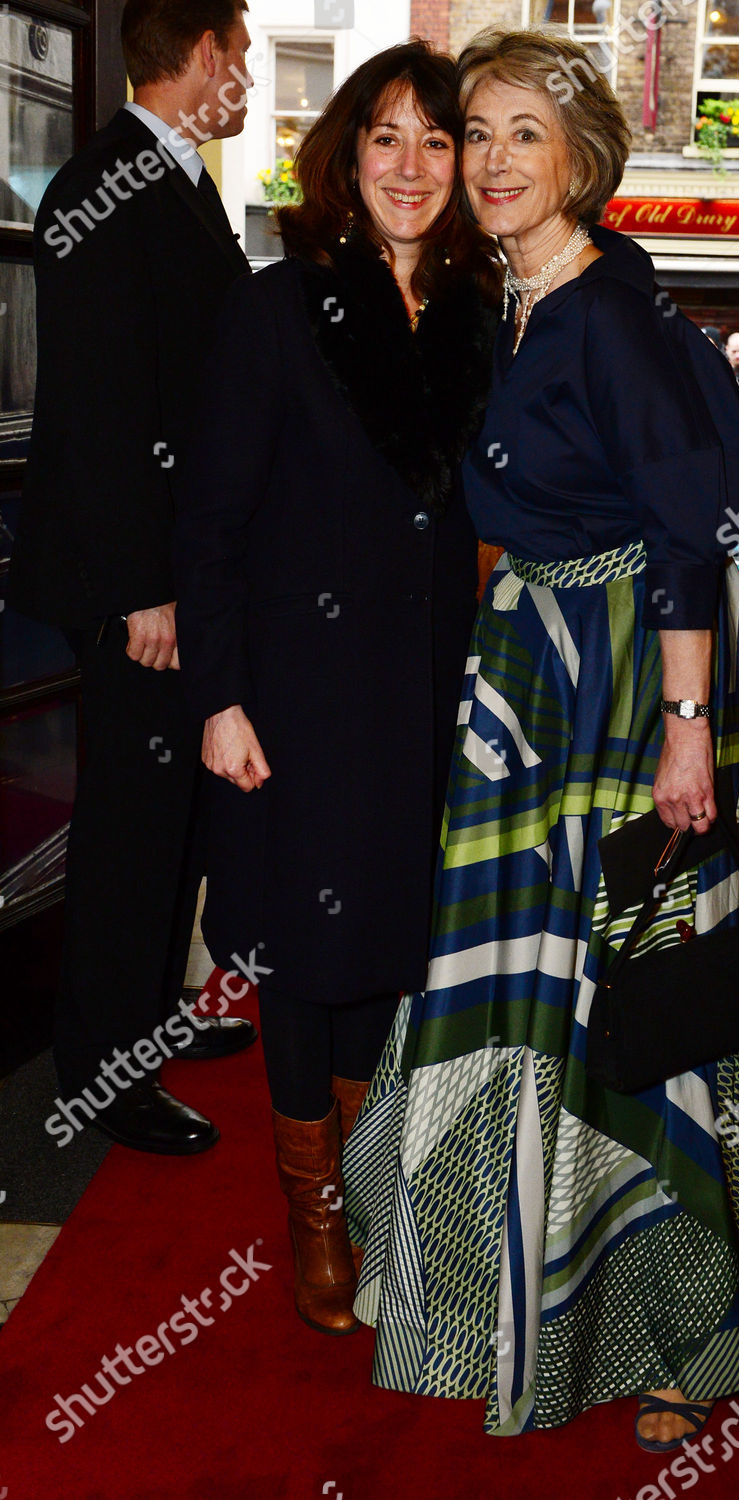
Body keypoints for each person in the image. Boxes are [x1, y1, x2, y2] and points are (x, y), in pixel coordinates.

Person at [345, 27, 739, 1453]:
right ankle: (506, 1295)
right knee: (509, 997)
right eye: (478, 132)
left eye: (527, 133)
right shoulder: (506, 307)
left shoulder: (610, 320)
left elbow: (687, 542)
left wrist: (688, 735)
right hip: (520, 675)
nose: (493, 161)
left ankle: (672, 1335)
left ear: (581, 158)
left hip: (621, 689)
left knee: (627, 1009)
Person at [173, 41, 501, 1335]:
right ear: (343, 157)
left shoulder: (484, 317)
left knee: (387, 944)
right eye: (387, 138)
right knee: (306, 956)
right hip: (300, 695)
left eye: (437, 142)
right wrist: (220, 696)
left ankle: (361, 1185)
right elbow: (206, 518)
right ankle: (310, 1211)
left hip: (427, 693)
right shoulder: (277, 306)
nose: (412, 167)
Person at [8, 0, 257, 1156]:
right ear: (203, 54)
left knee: (178, 822)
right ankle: (102, 1069)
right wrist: (143, 590)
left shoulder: (179, 177)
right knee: (134, 832)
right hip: (136, 588)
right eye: (243, 51)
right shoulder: (103, 189)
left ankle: (148, 1021)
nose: (247, 70)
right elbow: (104, 414)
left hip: (173, 572)